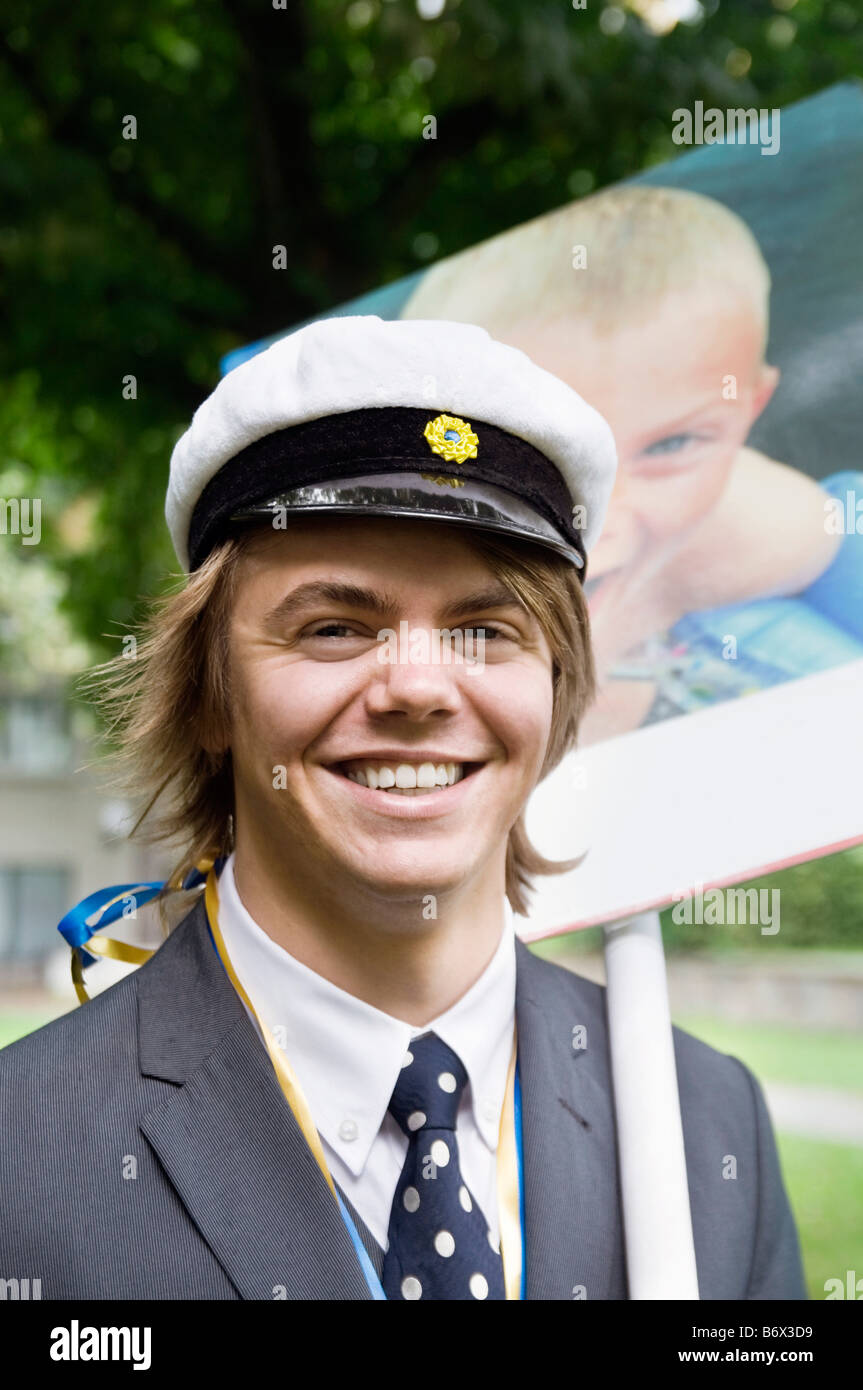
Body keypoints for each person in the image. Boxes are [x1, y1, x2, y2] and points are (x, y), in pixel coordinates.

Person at [0, 315, 806, 1300]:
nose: (418, 688)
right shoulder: (21, 1156)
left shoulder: (705, 1123)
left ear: (556, 689)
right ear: (209, 692)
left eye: (484, 628)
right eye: (335, 626)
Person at [401, 186, 863, 743]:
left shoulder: (757, 543)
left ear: (750, 411)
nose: (604, 526)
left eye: (670, 447)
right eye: (532, 458)